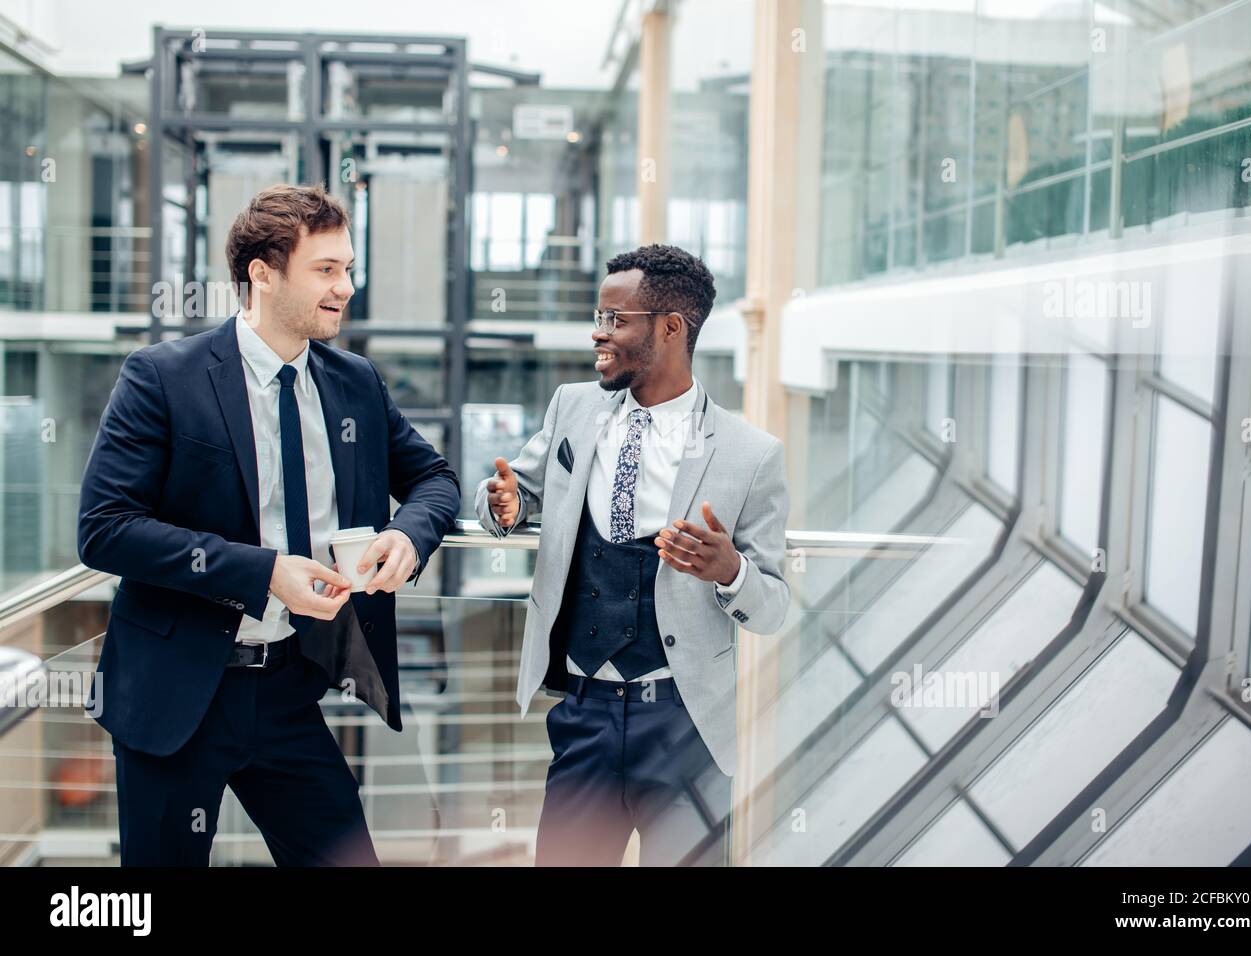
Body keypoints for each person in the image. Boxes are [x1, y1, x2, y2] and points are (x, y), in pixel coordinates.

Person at [77, 184, 460, 866]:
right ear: (262, 273)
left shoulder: (356, 384)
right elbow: (106, 528)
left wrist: (407, 536)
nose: (345, 287)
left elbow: (435, 479)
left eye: (347, 268)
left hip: (287, 684)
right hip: (175, 693)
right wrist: (265, 573)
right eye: (326, 270)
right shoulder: (163, 378)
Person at [475, 244, 790, 866]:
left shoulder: (751, 454)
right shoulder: (574, 407)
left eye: (616, 320)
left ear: (671, 327)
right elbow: (518, 493)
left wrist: (730, 572)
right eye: (600, 316)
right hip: (584, 715)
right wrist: (503, 506)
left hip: (686, 725)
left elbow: (773, 606)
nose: (599, 332)